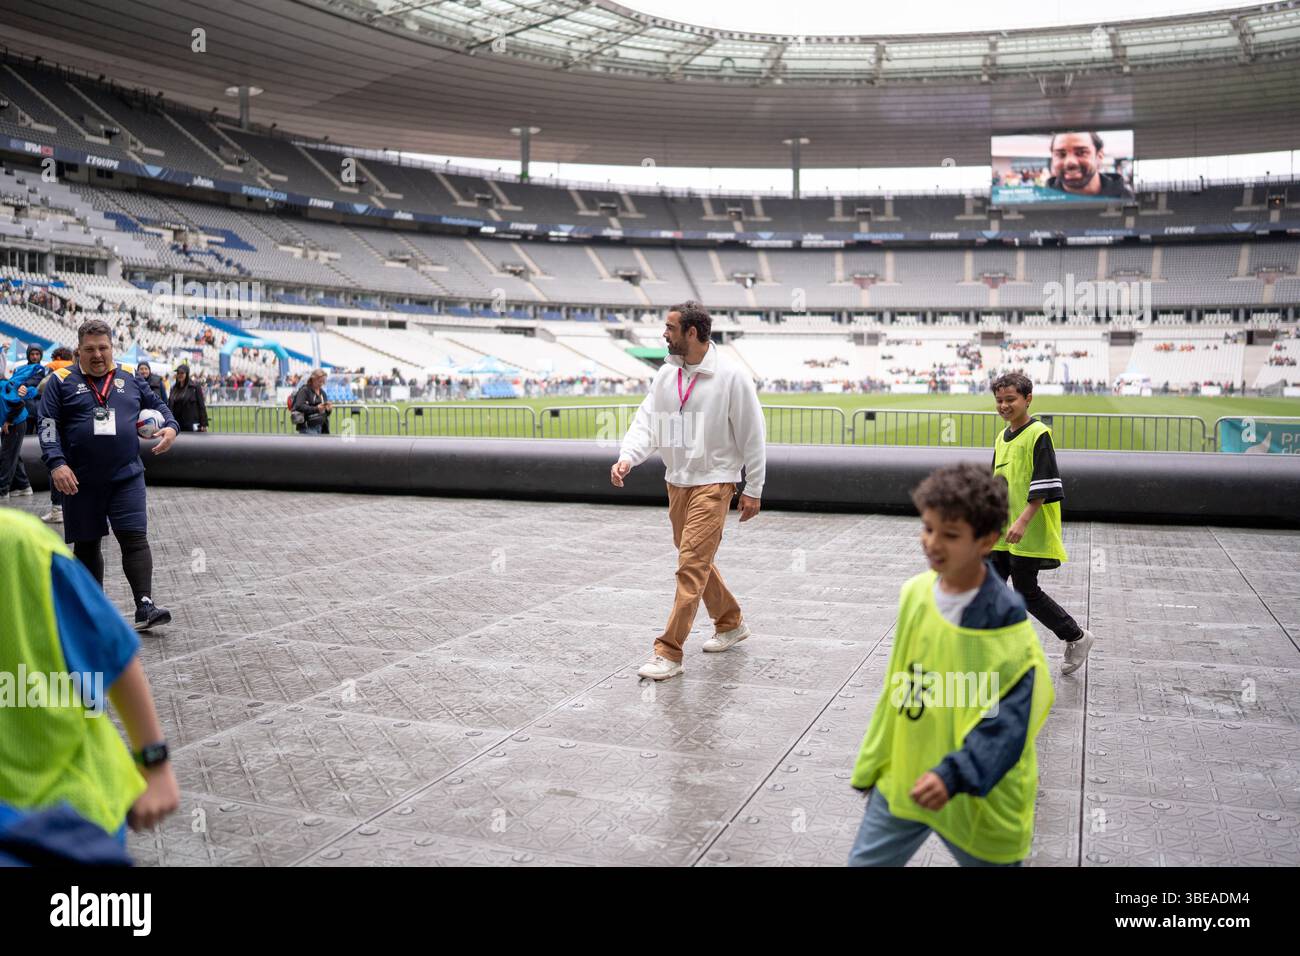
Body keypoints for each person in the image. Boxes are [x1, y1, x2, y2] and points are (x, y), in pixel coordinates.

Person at [847, 463, 1054, 867]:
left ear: (986, 541)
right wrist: (876, 762)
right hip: (907, 776)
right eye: (928, 528)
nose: (932, 543)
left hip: (977, 792)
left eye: (951, 535)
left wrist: (953, 774)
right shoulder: (915, 593)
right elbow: (899, 686)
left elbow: (1009, 720)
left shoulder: (1003, 617)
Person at [0, 509, 180, 854]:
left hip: (65, 817)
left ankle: (145, 600)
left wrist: (155, 762)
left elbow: (112, 651)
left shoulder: (23, 547)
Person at [610, 301, 766, 682]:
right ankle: (730, 623)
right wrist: (628, 457)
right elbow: (647, 419)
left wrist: (754, 488)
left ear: (691, 333)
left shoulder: (732, 377)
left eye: (669, 327)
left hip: (715, 482)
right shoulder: (667, 374)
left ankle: (669, 651)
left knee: (689, 568)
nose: (664, 333)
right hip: (676, 480)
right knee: (696, 561)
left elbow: (753, 434)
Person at [38, 319, 179, 630]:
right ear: (79, 351)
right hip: (78, 480)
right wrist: (56, 463)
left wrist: (171, 427)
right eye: (90, 349)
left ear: (112, 348)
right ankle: (93, 613)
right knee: (87, 544)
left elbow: (159, 406)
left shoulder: (129, 376)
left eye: (103, 347)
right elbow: (46, 425)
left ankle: (145, 606)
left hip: (126, 475)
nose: (98, 354)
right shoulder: (60, 381)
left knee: (134, 538)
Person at [989, 372, 1095, 672]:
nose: (1004, 405)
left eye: (1010, 399)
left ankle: (1075, 636)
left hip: (1027, 531)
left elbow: (1043, 485)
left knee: (1026, 592)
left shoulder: (1039, 435)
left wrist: (1022, 522)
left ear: (1028, 399)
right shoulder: (1002, 436)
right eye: (999, 400)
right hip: (1001, 531)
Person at [36, 347, 75, 525]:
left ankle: (58, 509)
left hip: (59, 428)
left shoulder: (55, 370)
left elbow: (41, 387)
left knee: (57, 467)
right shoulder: (83, 373)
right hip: (77, 431)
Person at [1044, 131, 1133, 199]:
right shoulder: (1041, 201)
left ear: (1099, 155)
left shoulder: (1127, 199)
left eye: (1081, 152)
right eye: (1060, 154)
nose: (1070, 162)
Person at [167, 363, 208, 432]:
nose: (180, 375)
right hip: (177, 423)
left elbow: (201, 406)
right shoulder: (173, 388)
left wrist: (204, 423)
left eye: (182, 373)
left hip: (191, 423)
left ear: (187, 374)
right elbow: (170, 405)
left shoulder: (195, 387)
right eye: (178, 373)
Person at [292, 369, 333, 435]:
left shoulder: (323, 393)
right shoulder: (304, 390)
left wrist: (328, 410)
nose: (322, 384)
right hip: (307, 428)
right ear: (313, 379)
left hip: (321, 427)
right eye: (320, 381)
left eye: (324, 381)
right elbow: (299, 406)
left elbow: (325, 414)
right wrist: (316, 408)